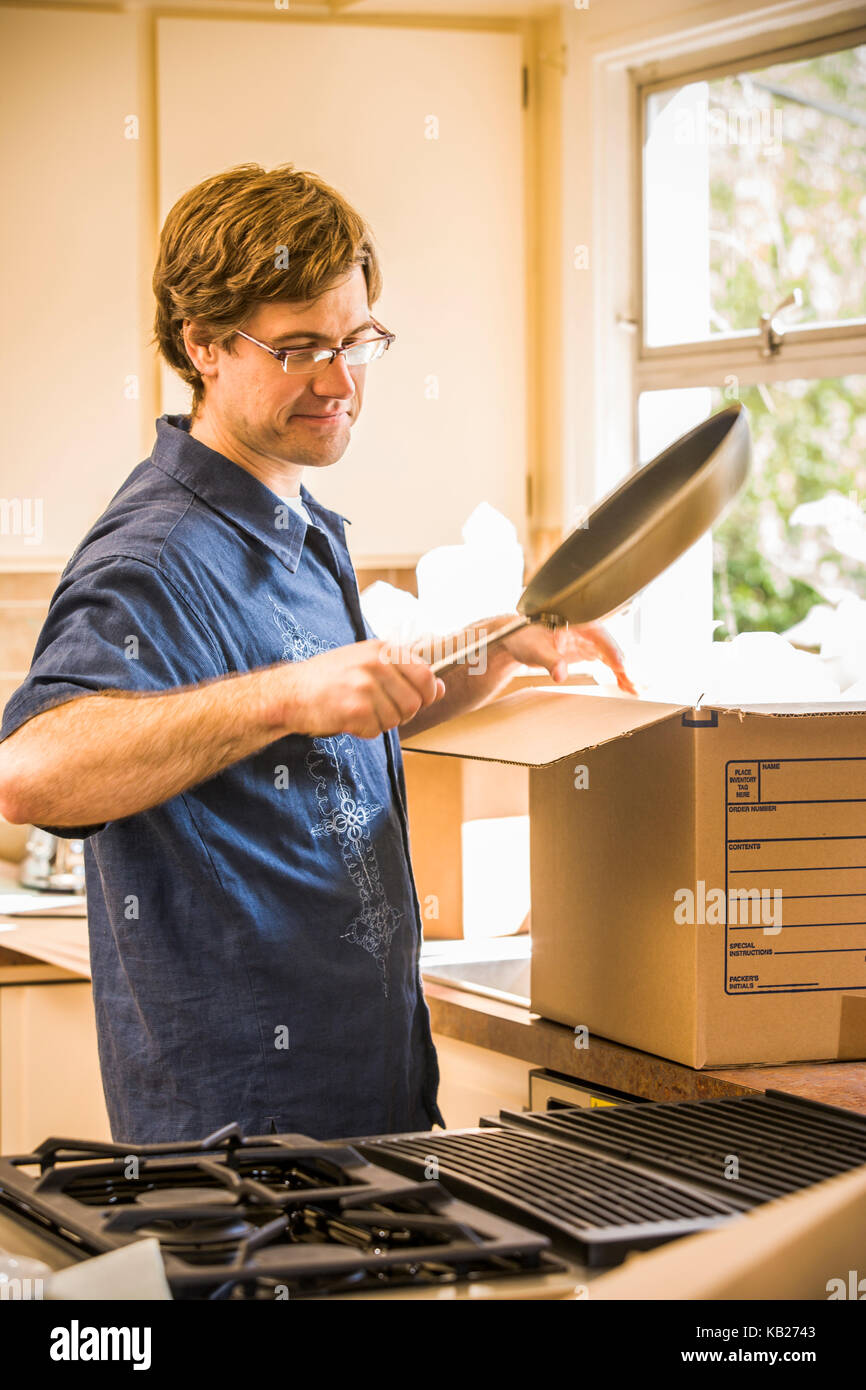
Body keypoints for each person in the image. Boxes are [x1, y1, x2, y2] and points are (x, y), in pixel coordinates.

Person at [0, 163, 634, 1145]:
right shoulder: (155, 553)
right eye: (299, 348)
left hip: (367, 1115)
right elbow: (34, 769)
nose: (339, 381)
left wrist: (493, 646)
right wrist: (285, 694)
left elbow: (335, 720)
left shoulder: (295, 521)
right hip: (238, 1153)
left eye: (357, 341)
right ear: (202, 343)